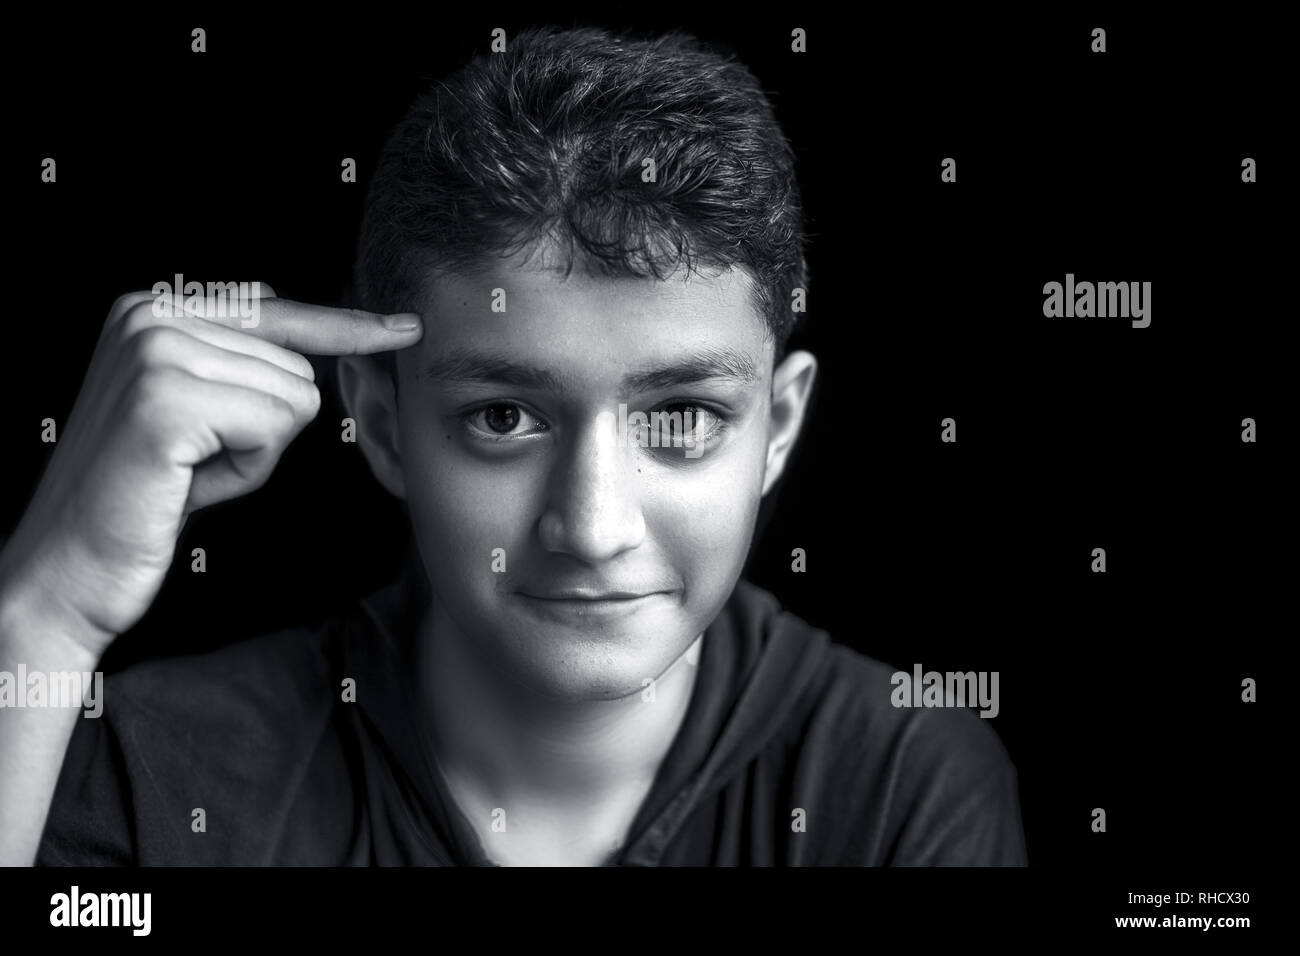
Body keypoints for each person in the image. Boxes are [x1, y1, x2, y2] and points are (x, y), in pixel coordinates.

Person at [0, 26, 1027, 866]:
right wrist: (44, 611)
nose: (591, 527)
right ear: (386, 420)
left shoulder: (899, 782)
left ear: (780, 427)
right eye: (504, 417)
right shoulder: (160, 774)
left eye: (681, 416)